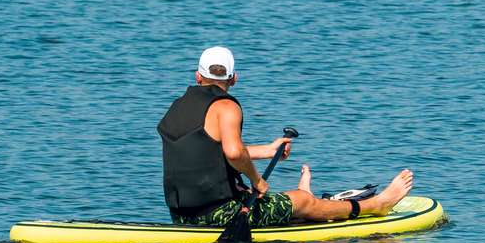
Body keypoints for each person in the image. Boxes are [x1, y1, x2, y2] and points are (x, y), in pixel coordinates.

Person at [158, 46, 414, 229]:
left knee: (287, 204)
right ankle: (376, 205)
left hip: (182, 216)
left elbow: (209, 149)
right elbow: (234, 153)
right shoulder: (226, 107)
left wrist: (269, 150)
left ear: (198, 76)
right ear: (234, 79)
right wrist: (257, 180)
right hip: (220, 216)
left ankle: (309, 206)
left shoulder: (177, 106)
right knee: (301, 201)